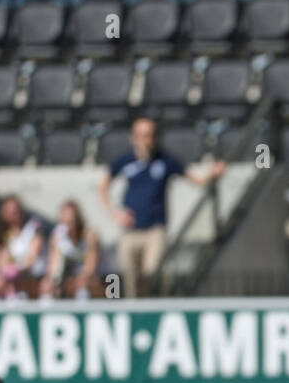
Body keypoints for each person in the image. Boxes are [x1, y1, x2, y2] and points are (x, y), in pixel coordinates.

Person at [99, 117, 225, 298]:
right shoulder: (126, 161)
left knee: (153, 274)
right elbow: (103, 185)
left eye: (149, 135)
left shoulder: (165, 161)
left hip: (155, 229)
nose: (145, 140)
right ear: (133, 138)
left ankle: (156, 308)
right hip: (130, 230)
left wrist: (212, 173)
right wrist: (114, 212)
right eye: (141, 135)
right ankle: (135, 314)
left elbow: (196, 179)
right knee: (130, 279)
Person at [0, 196, 47, 299]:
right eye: (9, 210)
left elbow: (33, 257)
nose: (13, 213)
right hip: (12, 280)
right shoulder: (3, 236)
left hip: (33, 276)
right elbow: (1, 264)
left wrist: (17, 271)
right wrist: (8, 274)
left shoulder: (34, 228)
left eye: (15, 210)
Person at [45, 200, 102, 299]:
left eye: (72, 220)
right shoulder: (57, 237)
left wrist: (79, 279)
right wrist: (53, 281)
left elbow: (91, 267)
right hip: (68, 276)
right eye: (66, 221)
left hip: (92, 277)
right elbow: (53, 266)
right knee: (47, 286)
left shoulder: (90, 236)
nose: (70, 224)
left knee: (83, 284)